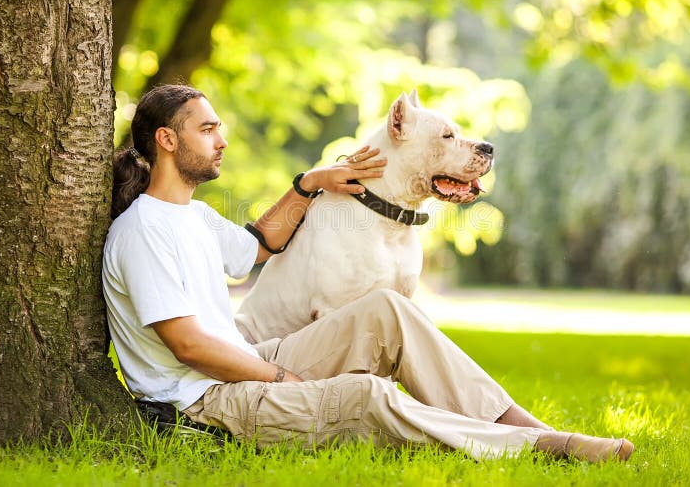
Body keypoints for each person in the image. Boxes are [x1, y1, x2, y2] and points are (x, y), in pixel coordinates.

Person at [102, 84, 634, 462]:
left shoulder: (192, 215)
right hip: (203, 402)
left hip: (242, 364)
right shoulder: (144, 230)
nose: (222, 140)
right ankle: (539, 451)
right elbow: (189, 347)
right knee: (366, 395)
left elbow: (256, 249)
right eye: (208, 129)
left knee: (388, 312)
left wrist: (311, 182)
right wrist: (280, 378)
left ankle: (530, 427)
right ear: (167, 141)